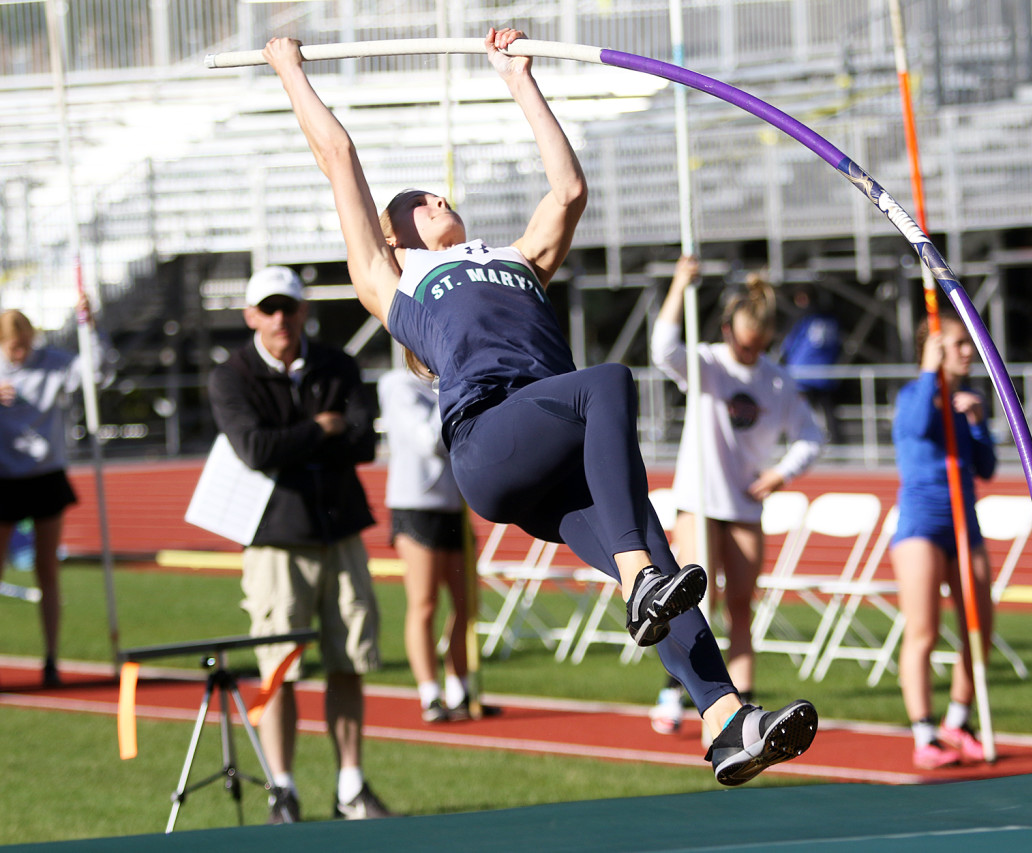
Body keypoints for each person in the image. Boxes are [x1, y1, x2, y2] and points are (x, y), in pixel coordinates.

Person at [262, 27, 818, 786]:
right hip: (490, 440)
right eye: (416, 204)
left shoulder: (519, 260)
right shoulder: (394, 281)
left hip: (549, 448)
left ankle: (725, 721)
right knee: (608, 384)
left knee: (658, 555)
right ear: (395, 237)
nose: (435, 196)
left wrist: (517, 78)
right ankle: (639, 583)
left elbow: (569, 191)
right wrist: (290, 71)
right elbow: (339, 157)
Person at [207, 265, 392, 822]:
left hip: (339, 531)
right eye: (269, 309)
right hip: (275, 541)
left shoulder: (337, 363)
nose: (280, 318)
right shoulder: (232, 376)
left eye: (288, 307)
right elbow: (256, 449)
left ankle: (351, 786)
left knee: (349, 660)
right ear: (250, 316)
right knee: (278, 668)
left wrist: (309, 437)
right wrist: (321, 428)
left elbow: (362, 442)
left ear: (304, 310)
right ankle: (282, 789)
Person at [648, 256, 824, 734]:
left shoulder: (775, 380)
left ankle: (743, 703)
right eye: (744, 344)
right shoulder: (706, 363)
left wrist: (780, 474)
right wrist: (679, 283)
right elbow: (663, 349)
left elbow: (811, 435)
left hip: (744, 506)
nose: (748, 354)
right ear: (728, 330)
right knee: (690, 603)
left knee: (741, 604)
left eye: (758, 346)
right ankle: (675, 692)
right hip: (699, 501)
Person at [890, 312, 996, 770]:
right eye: (957, 344)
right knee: (924, 632)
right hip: (922, 526)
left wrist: (976, 422)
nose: (967, 351)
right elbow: (915, 426)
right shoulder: (914, 395)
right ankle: (924, 731)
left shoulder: (964, 402)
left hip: (964, 524)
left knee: (979, 629)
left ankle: (959, 719)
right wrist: (928, 373)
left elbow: (987, 467)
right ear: (934, 350)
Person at [0, 299, 107, 688]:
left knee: (48, 569)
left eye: (26, 344)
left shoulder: (53, 362)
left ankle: (51, 657)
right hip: (4, 479)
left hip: (45, 476)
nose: (22, 353)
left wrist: (90, 328)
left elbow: (94, 375)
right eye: (14, 347)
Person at [377, 367, 473, 723]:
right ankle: (429, 693)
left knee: (465, 603)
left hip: (456, 505)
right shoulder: (397, 385)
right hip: (416, 505)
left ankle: (461, 689)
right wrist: (451, 390)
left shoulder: (450, 382)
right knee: (425, 602)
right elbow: (429, 441)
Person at [778, 283, 842, 443]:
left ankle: (803, 441)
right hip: (824, 373)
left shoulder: (803, 318)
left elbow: (788, 344)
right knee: (827, 410)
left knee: (800, 412)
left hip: (802, 374)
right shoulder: (831, 318)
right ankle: (835, 441)